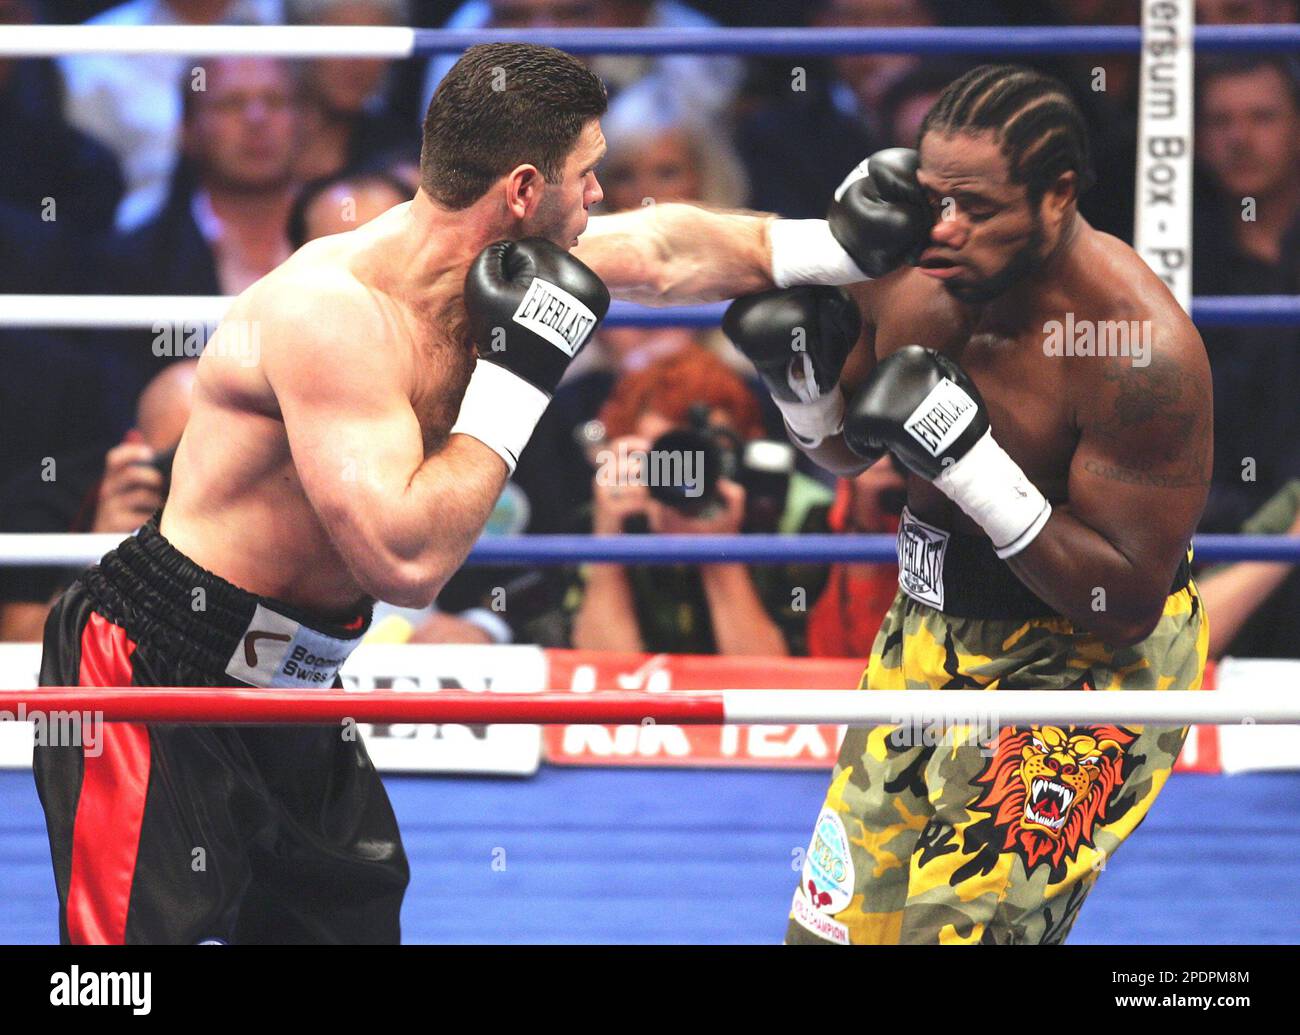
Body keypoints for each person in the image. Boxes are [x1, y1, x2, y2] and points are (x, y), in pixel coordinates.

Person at [33, 39, 840, 946]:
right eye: (590, 175)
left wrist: (831, 247)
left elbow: (663, 247)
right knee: (125, 970)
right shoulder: (334, 314)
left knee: (346, 927)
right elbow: (406, 558)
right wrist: (518, 380)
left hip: (297, 677)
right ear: (526, 190)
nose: (603, 198)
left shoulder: (505, 265)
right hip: (155, 661)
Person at [719, 65, 1211, 944]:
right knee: (828, 936)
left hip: (1081, 669)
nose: (942, 229)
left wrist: (969, 460)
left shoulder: (1138, 350)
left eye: (977, 209)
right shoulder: (915, 267)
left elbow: (1127, 602)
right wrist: (803, 391)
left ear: (1057, 196)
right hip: (927, 628)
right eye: (934, 197)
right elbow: (850, 449)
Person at [0, 362, 198, 642]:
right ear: (136, 451)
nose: (205, 478)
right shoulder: (53, 500)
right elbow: (21, 652)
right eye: (183, 457)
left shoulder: (259, 507)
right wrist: (102, 553)